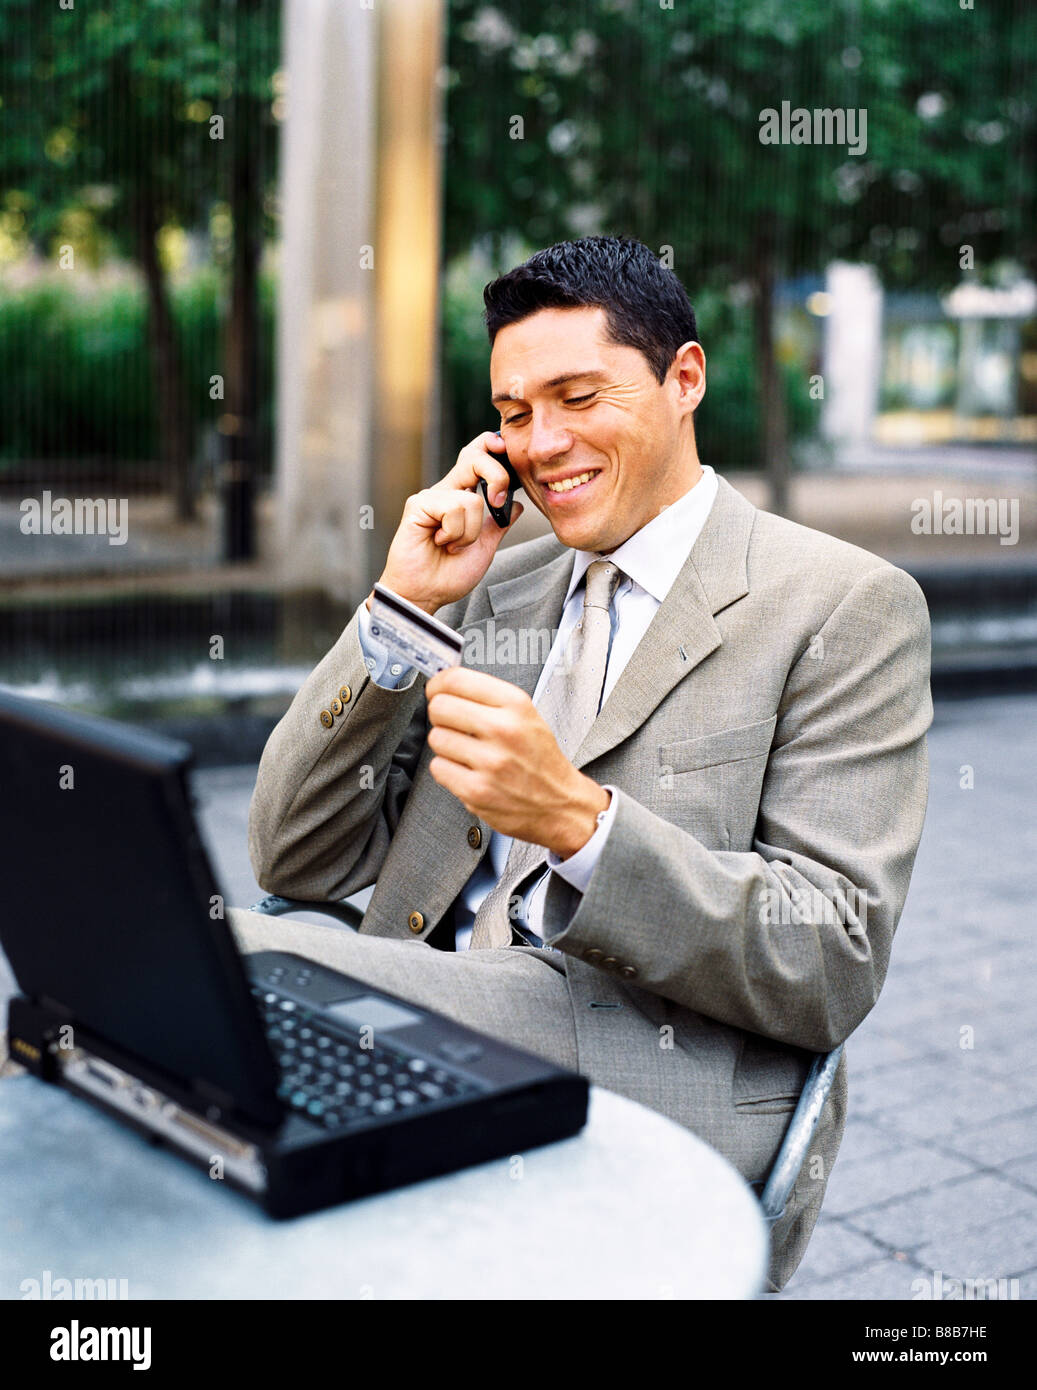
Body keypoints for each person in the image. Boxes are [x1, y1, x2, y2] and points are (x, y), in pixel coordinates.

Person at [241, 235, 932, 1291]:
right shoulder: (494, 581)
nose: (540, 442)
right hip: (428, 1001)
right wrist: (403, 607)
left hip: (642, 1064)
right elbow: (294, 855)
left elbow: (829, 959)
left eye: (576, 396)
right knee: (202, 996)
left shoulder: (841, 605)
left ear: (683, 378)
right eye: (514, 413)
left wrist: (577, 821)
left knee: (240, 970)